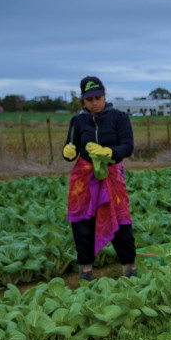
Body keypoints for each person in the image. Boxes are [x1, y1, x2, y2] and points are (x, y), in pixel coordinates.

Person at [62, 75, 137, 281]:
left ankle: (129, 269)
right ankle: (86, 273)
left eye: (98, 97)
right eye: (89, 99)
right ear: (83, 101)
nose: (94, 102)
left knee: (121, 221)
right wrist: (66, 152)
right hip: (83, 180)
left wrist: (109, 152)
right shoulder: (78, 121)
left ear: (104, 95)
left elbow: (128, 147)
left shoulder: (119, 118)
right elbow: (72, 147)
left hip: (111, 177)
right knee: (82, 223)